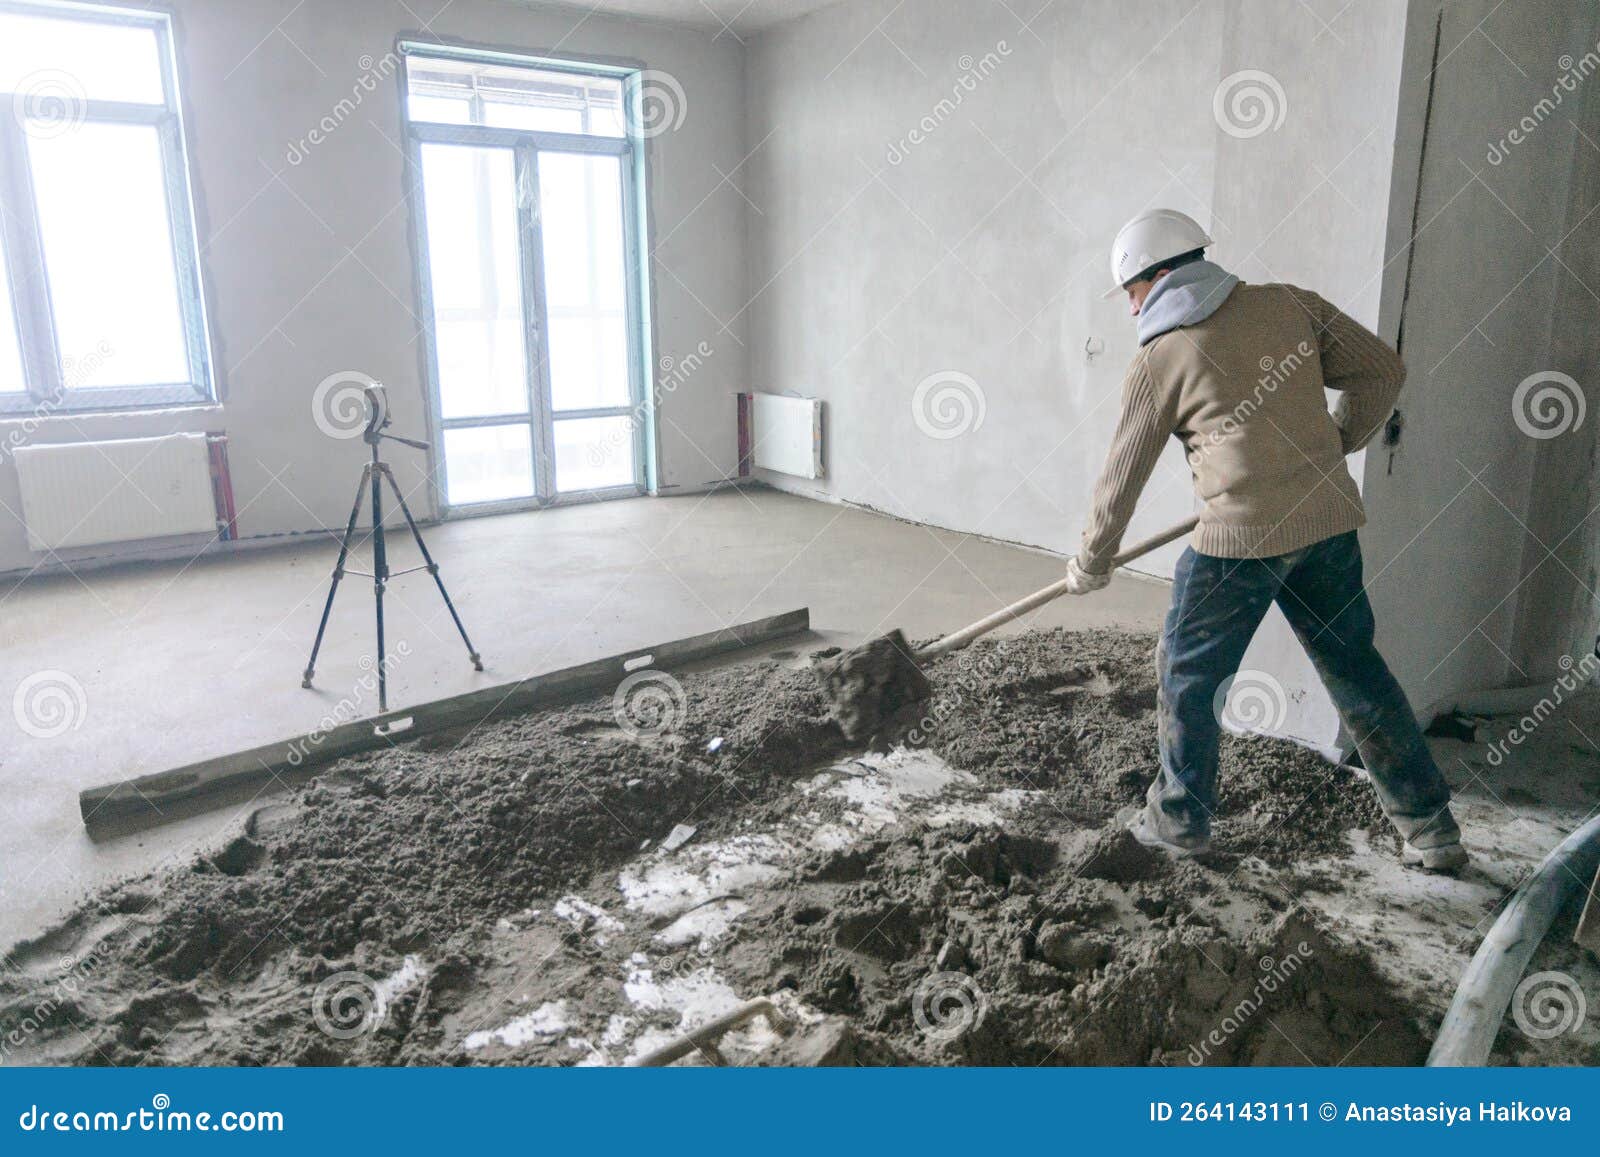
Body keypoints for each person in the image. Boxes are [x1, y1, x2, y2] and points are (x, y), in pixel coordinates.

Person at [1063, 208, 1466, 872]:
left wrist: (1092, 559)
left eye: (1132, 292)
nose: (1131, 308)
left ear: (1159, 277)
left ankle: (1179, 817)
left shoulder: (1161, 356)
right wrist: (1335, 445)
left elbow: (1121, 475)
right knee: (1357, 669)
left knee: (1187, 673)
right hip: (1328, 526)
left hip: (1238, 544)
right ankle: (1431, 827)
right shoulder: (1289, 305)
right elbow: (1383, 371)